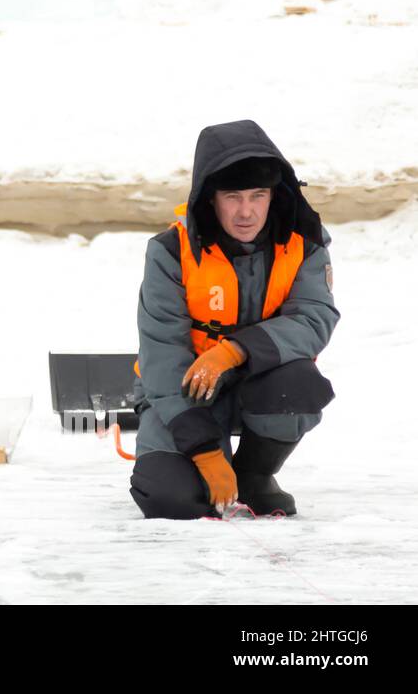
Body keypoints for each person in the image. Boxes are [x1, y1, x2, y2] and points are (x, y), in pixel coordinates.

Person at [130, 120, 338, 519]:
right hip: (185, 387)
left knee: (299, 384)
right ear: (211, 199)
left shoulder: (304, 243)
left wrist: (235, 351)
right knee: (172, 500)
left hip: (260, 383)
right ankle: (208, 461)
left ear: (273, 196)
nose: (247, 211)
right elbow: (161, 352)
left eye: (258, 195)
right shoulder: (170, 251)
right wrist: (205, 453)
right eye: (233, 197)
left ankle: (254, 474)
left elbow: (314, 319)